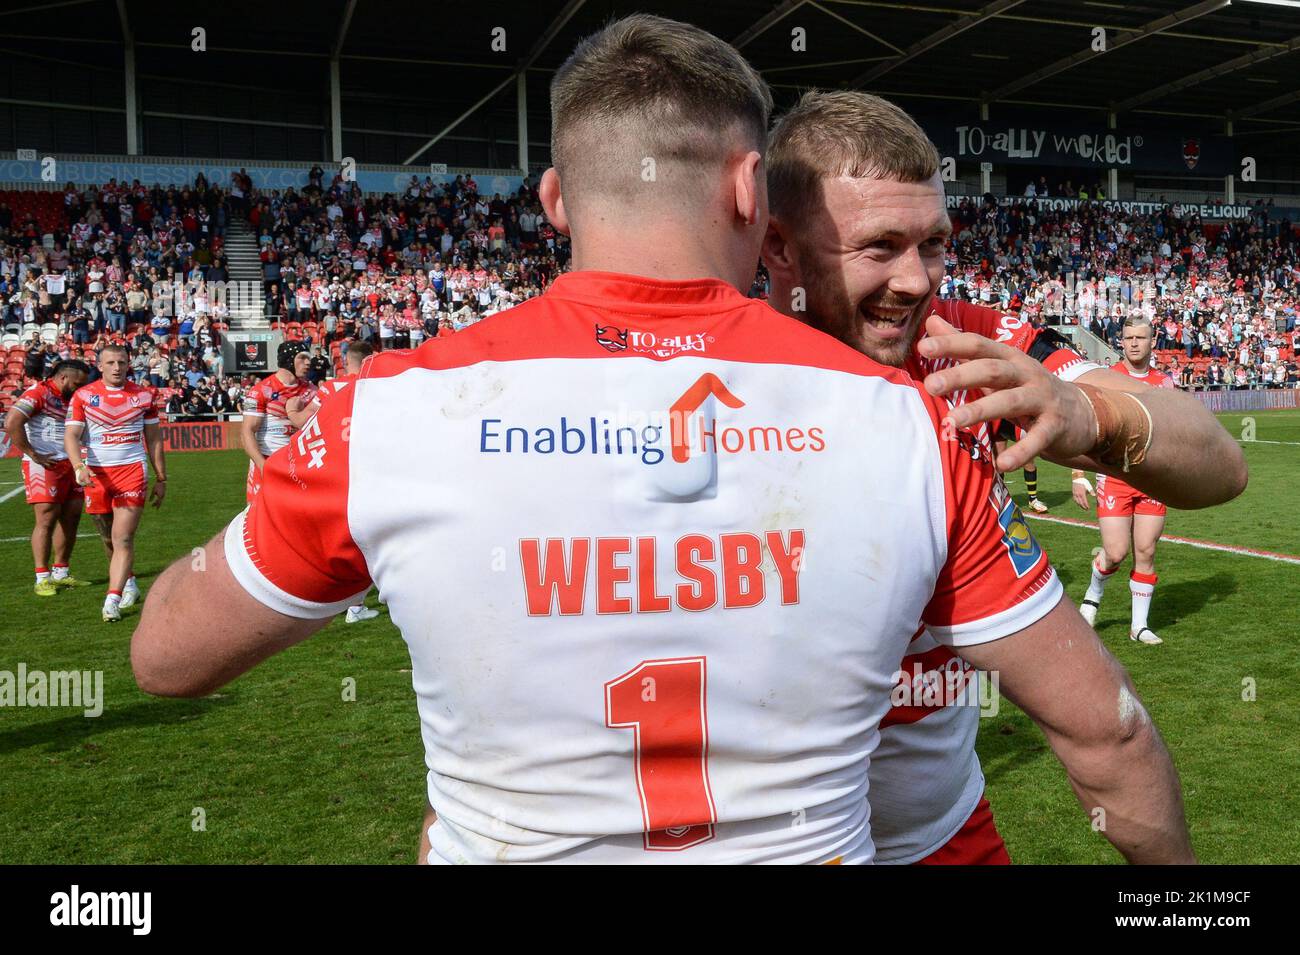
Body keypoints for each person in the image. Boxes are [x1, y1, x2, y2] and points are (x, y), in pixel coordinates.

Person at [135, 15, 1193, 865]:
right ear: (750, 192)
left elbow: (168, 655)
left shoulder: (389, 409)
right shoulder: (906, 418)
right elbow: (1106, 732)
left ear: (555, 200)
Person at [761, 89, 1246, 864]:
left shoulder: (966, 337)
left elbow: (1220, 463)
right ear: (778, 247)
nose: (916, 280)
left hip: (946, 834)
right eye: (880, 246)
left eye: (934, 243)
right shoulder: (719, 373)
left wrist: (1090, 415)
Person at [1074, 316, 1180, 645]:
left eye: (1140, 337)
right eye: (1128, 337)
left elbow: (1173, 432)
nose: (1134, 343)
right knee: (1116, 552)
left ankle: (1139, 626)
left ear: (1153, 341)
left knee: (1146, 550)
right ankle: (1092, 596)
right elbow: (1085, 427)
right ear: (1121, 340)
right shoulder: (1106, 378)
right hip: (1114, 477)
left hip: (1151, 479)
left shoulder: (1164, 383)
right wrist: (1077, 474)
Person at [64, 345, 166, 623]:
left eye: (121, 362)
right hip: (95, 474)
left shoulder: (144, 396)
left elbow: (154, 439)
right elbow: (71, 436)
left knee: (123, 537)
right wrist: (78, 466)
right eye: (110, 363)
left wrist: (161, 477)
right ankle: (129, 582)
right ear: (100, 366)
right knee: (108, 537)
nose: (117, 367)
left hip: (132, 471)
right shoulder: (84, 396)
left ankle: (112, 600)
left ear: (129, 363)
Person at [285, 341, 379, 624]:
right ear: (369, 359)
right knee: (368, 534)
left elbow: (304, 421)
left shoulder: (329, 388)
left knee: (335, 533)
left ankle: (321, 591)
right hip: (369, 467)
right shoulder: (378, 385)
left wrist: (291, 411)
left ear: (345, 361)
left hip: (335, 467)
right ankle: (358, 603)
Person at [3, 359, 92, 595]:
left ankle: (61, 572)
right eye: (77, 384)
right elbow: (12, 422)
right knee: (47, 518)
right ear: (63, 378)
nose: (80, 388)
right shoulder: (39, 393)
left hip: (72, 462)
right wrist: (33, 454)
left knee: (72, 517)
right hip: (45, 464)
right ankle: (42, 577)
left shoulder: (74, 397)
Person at [240, 340, 315, 502]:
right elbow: (247, 431)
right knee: (258, 514)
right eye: (302, 357)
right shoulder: (261, 390)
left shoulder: (311, 391)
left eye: (308, 358)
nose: (308, 362)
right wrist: (262, 466)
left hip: (299, 465)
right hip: (268, 461)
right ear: (288, 360)